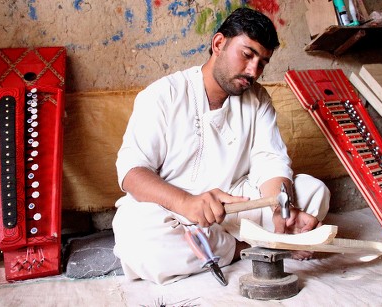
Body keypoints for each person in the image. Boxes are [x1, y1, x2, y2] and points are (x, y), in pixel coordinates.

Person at [112, 7, 330, 285]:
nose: (253, 71)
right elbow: (132, 173)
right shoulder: (163, 94)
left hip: (235, 206)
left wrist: (280, 210)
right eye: (247, 55)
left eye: (262, 62)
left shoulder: (258, 98)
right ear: (218, 44)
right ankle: (245, 248)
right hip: (174, 209)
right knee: (139, 236)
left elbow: (270, 160)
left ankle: (230, 244)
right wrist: (186, 202)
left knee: (313, 191)